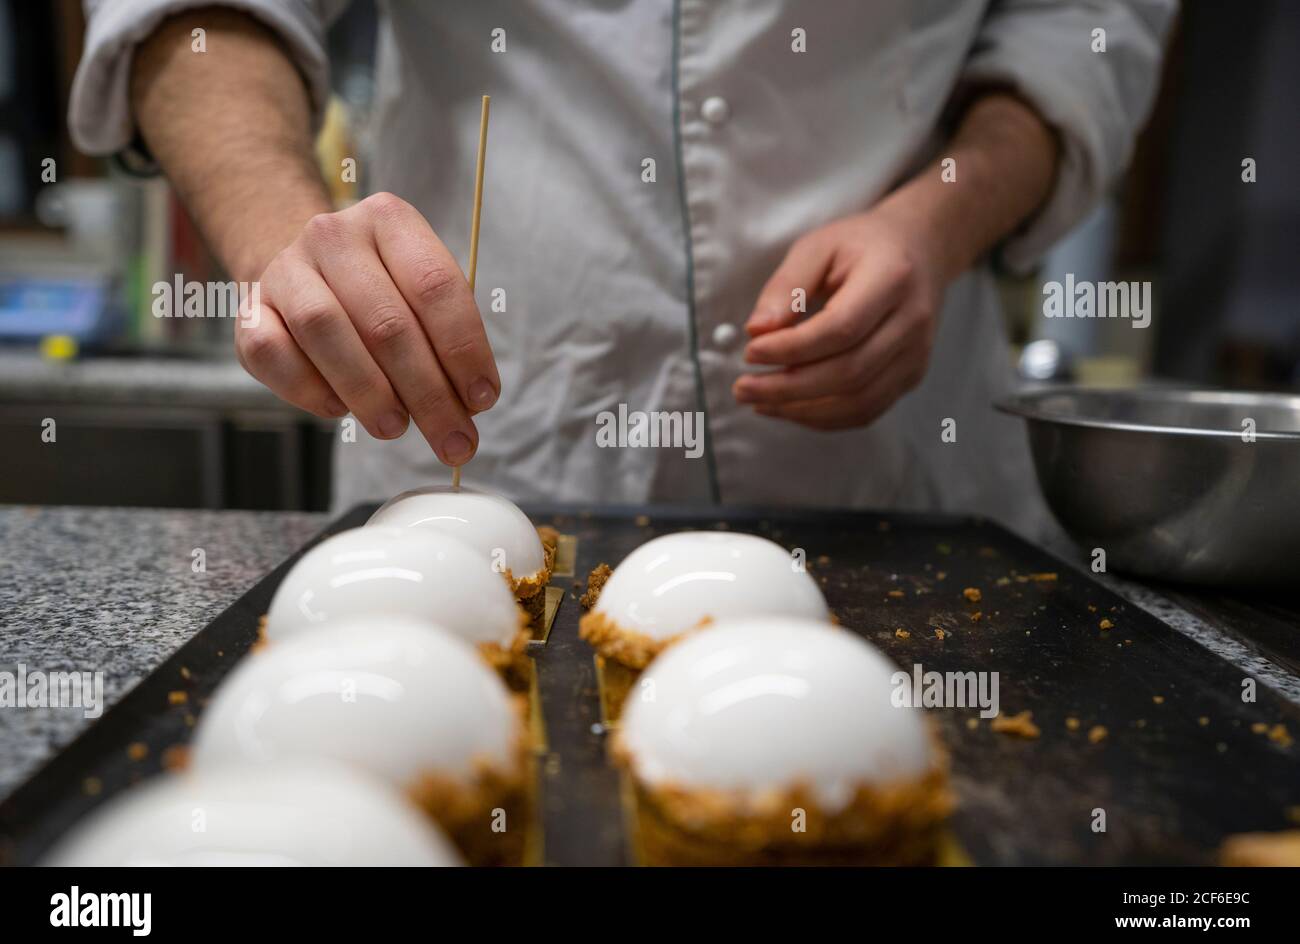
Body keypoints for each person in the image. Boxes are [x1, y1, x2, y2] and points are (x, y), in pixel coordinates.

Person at [70, 1, 1174, 538]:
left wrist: (936, 220)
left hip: (901, 476)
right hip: (478, 458)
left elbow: (1080, 19)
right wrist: (277, 230)